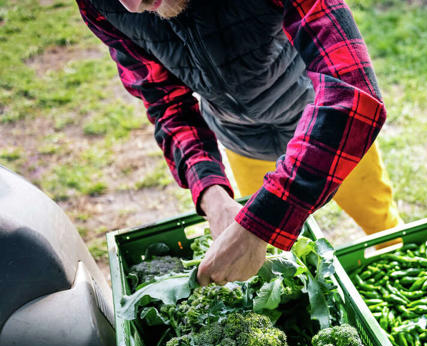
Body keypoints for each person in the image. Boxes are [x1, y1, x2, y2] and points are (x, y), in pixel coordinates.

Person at [77, 0, 401, 285]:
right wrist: (212, 196)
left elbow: (353, 94)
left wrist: (262, 223)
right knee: (273, 262)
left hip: (323, 124)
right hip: (240, 138)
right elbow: (165, 101)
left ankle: (393, 262)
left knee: (379, 220)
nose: (132, 6)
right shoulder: (101, 5)